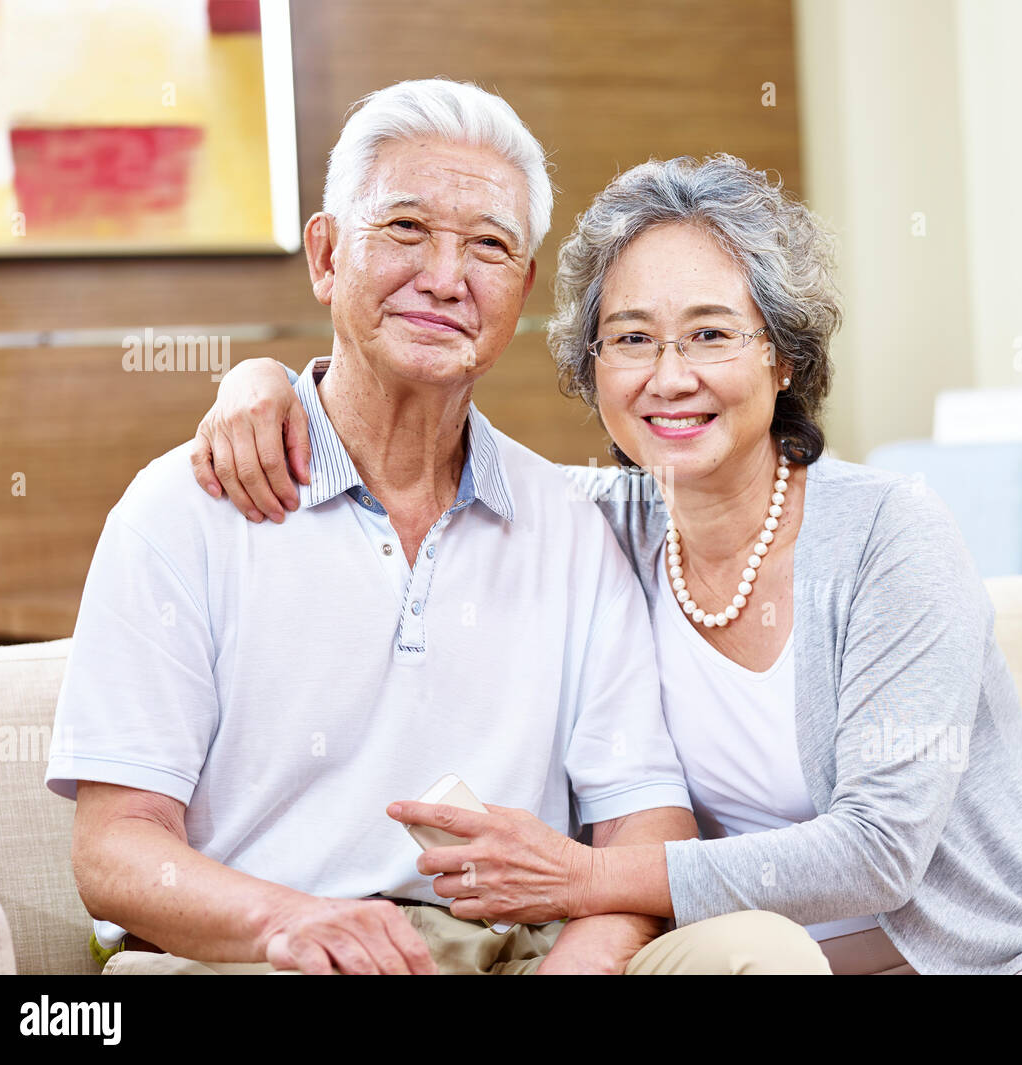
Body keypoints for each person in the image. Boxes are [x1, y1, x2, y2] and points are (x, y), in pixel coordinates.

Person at [195, 150, 1022, 976]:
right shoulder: (598, 527)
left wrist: (584, 878)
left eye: (709, 334)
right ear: (594, 369)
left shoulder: (890, 533)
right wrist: (264, 383)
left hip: (1004, 959)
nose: (670, 378)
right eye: (631, 339)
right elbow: (427, 458)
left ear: (782, 357)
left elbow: (880, 852)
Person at [45, 79, 833, 976]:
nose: (446, 277)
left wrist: (579, 966)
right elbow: (115, 846)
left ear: (521, 290)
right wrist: (287, 925)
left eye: (488, 245)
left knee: (760, 952)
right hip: (262, 952)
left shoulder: (573, 526)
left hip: (518, 954)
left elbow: (643, 821)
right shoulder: (184, 509)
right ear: (326, 255)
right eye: (406, 228)